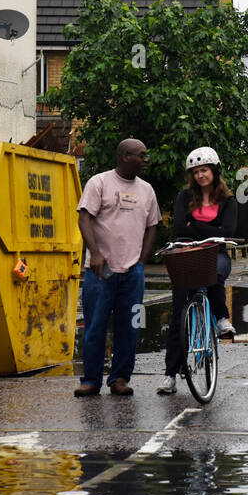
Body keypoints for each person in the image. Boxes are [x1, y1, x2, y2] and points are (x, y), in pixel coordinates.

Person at [75, 138, 160, 397]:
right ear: (124, 156)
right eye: (141, 155)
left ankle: (120, 379)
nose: (146, 160)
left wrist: (141, 262)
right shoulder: (99, 183)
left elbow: (152, 226)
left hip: (132, 274)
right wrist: (96, 252)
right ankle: (91, 380)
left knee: (130, 327)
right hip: (101, 272)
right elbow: (84, 217)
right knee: (95, 327)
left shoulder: (147, 190)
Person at [158, 147, 237, 395]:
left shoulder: (228, 201)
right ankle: (170, 376)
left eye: (204, 170)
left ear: (214, 171)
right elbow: (180, 228)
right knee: (178, 315)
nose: (200, 175)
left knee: (213, 274)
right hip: (187, 254)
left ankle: (222, 319)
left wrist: (197, 227)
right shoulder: (184, 197)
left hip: (216, 254)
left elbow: (228, 232)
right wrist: (211, 230)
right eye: (196, 171)